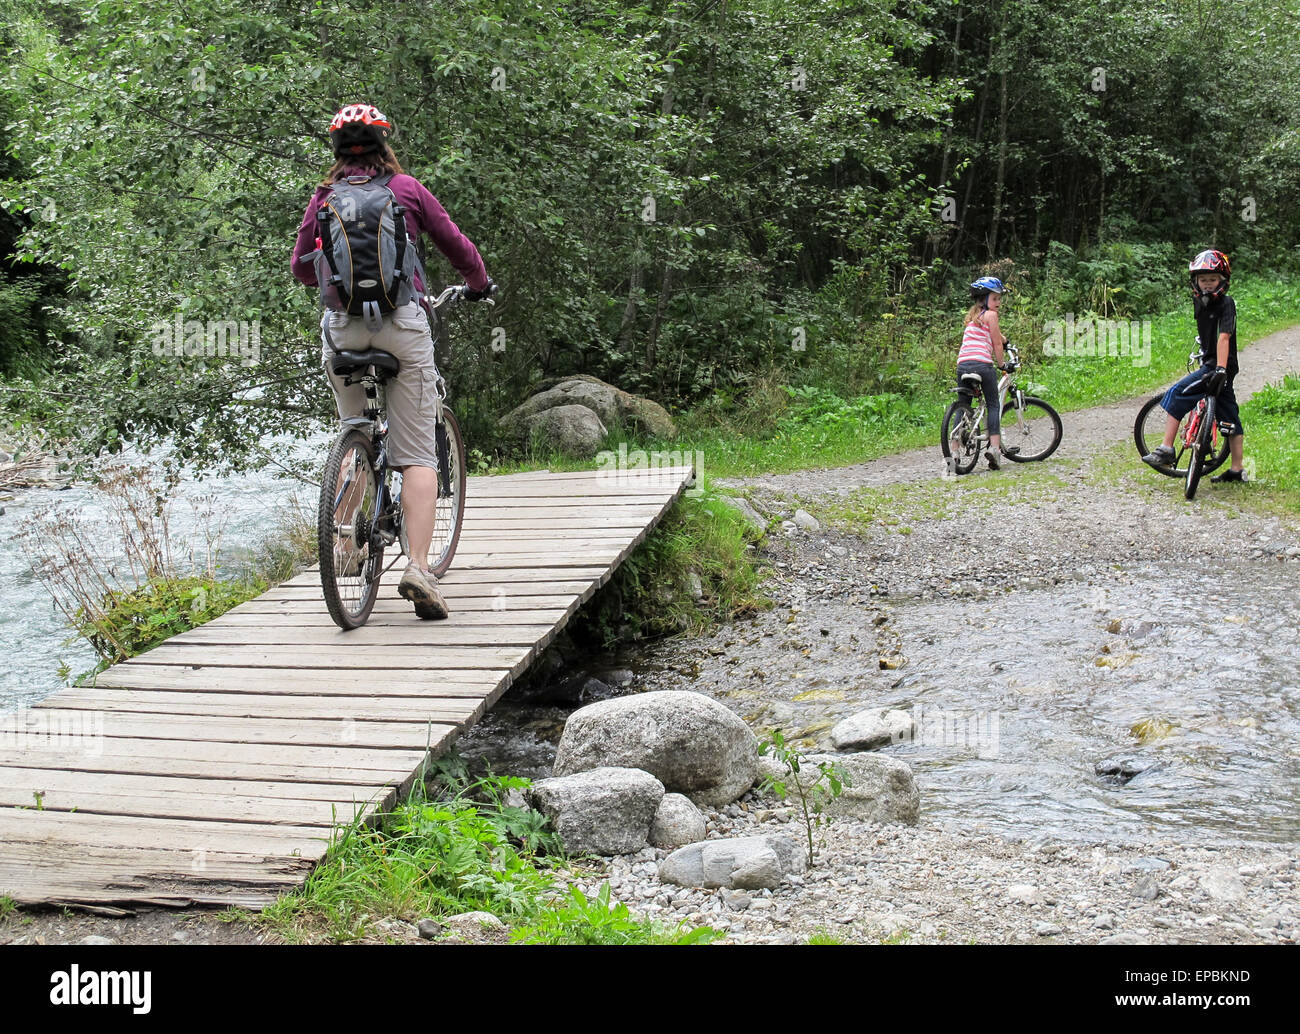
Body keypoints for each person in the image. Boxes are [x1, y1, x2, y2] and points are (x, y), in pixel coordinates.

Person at [291, 103, 494, 618]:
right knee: (418, 453)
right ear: (384, 147)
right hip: (402, 325)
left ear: (337, 154)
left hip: (342, 331)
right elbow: (456, 245)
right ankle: (419, 569)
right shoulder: (406, 191)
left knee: (354, 424)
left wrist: (341, 285)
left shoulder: (323, 199)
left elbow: (300, 269)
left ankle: (343, 544)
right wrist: (479, 284)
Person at [1140, 250, 1245, 481]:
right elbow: (1207, 334)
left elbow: (1224, 337)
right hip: (1217, 363)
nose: (1207, 285)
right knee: (1229, 417)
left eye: (1213, 279)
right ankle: (1237, 470)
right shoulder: (1200, 303)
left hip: (1218, 365)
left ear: (1223, 281)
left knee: (1176, 393)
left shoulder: (1227, 304)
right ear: (1196, 281)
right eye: (1203, 280)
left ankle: (1167, 448)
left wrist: (1219, 368)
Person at [951, 276, 1015, 472]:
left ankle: (953, 450)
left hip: (963, 365)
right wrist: (1003, 364)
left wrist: (1004, 340)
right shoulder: (992, 316)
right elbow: (995, 343)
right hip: (982, 366)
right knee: (994, 404)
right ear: (983, 299)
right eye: (995, 299)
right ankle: (995, 450)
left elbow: (996, 336)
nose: (998, 303)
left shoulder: (972, 319)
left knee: (963, 404)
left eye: (999, 299)